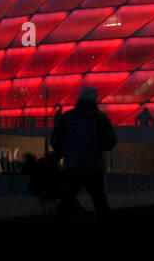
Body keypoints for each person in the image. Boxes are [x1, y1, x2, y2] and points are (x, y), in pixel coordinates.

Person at [49, 87, 118, 218]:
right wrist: (97, 146)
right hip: (94, 165)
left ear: (79, 98)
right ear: (95, 100)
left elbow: (55, 141)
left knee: (66, 200)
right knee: (99, 201)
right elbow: (111, 142)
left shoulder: (67, 117)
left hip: (72, 165)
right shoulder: (100, 118)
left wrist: (67, 150)